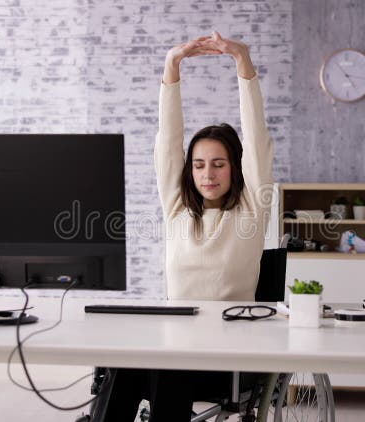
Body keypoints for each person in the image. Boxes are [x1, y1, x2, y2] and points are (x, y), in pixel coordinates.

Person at [100, 31, 273, 421]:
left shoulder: (251, 209)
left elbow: (257, 138)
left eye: (218, 163)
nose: (207, 174)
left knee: (168, 363)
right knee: (123, 362)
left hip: (228, 356)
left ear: (236, 168)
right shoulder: (178, 209)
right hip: (174, 348)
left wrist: (242, 62)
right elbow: (168, 140)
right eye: (198, 164)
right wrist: (171, 65)